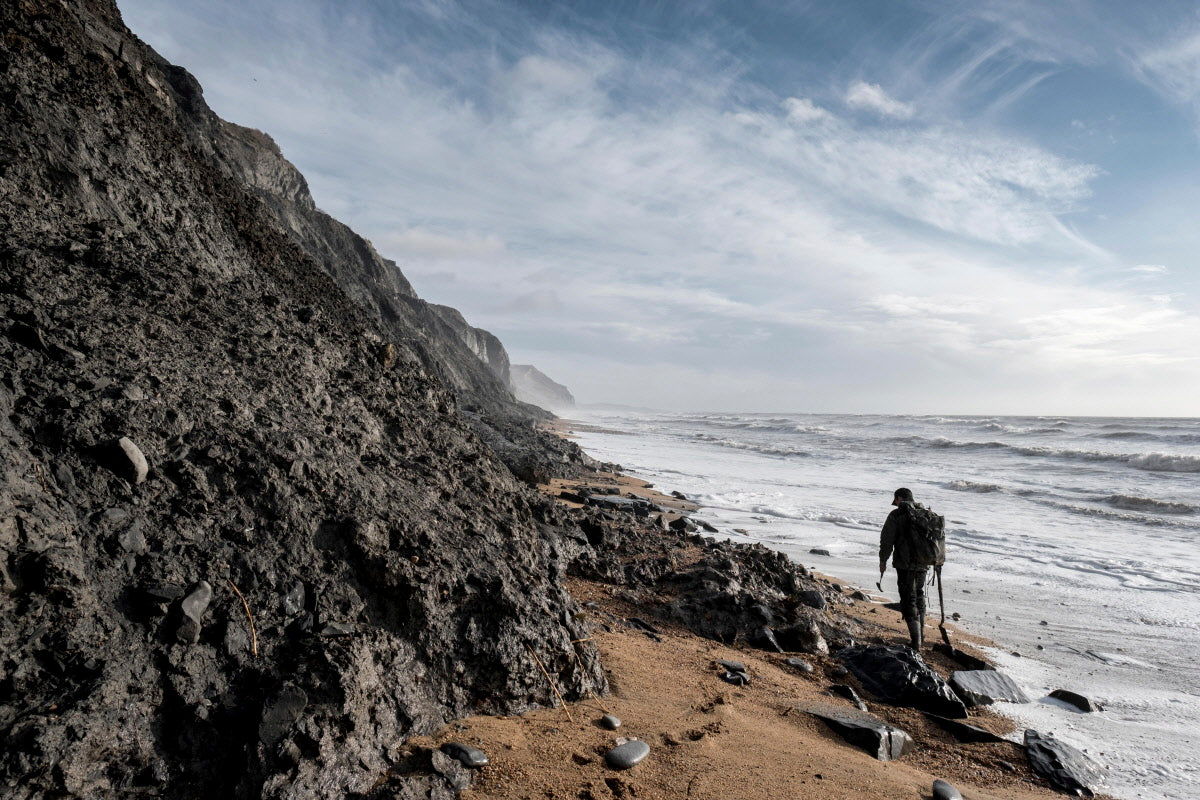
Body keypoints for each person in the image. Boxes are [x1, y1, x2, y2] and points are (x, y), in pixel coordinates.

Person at [879, 487, 929, 651]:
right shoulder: (925, 513)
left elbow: (887, 541)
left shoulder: (896, 515)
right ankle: (921, 635)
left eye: (896, 500)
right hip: (923, 563)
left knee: (908, 599)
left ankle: (916, 643)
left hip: (905, 564)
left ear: (899, 499)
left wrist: (883, 560)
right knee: (920, 595)